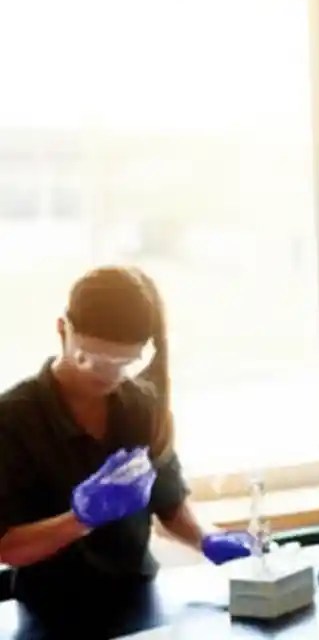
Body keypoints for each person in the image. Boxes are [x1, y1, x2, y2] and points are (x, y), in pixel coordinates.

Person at [0, 267, 254, 624]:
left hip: (141, 600)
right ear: (62, 330)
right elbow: (6, 545)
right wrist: (79, 520)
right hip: (50, 612)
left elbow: (169, 504)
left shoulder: (140, 406)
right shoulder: (13, 419)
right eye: (91, 359)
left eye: (123, 362)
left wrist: (208, 538)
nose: (107, 375)